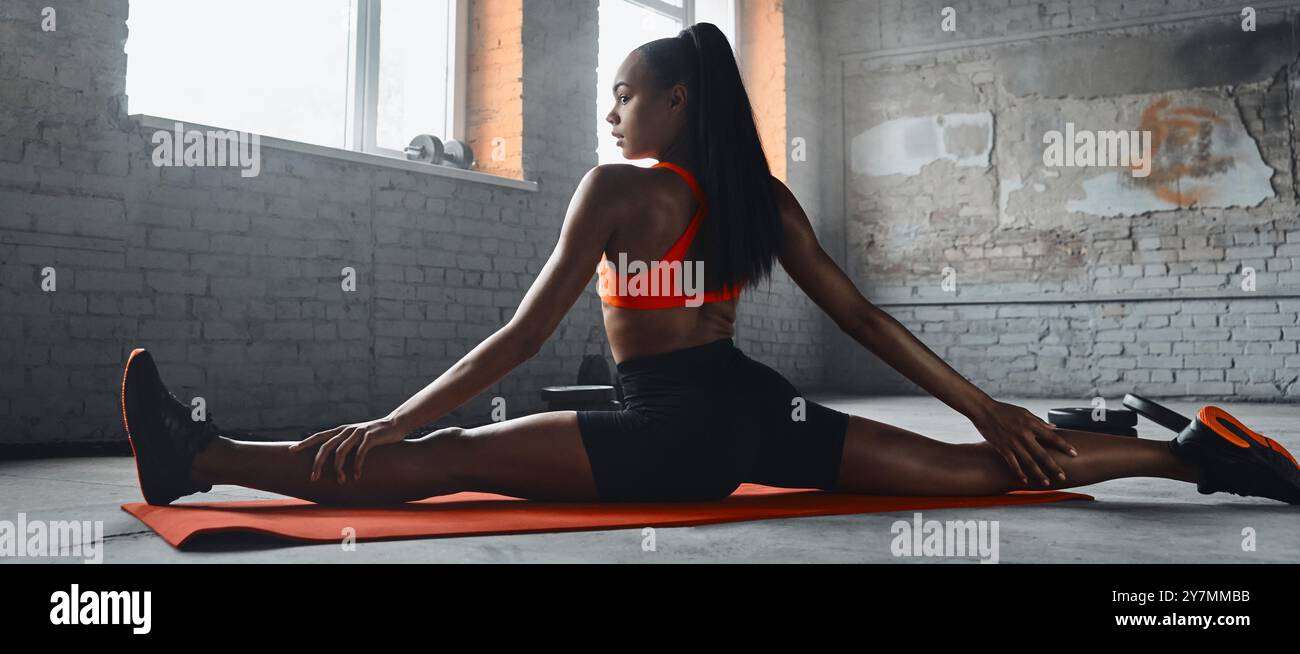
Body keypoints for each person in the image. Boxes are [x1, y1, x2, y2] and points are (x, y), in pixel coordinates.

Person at [120, 23, 1299, 507]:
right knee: (978, 472)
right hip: (757, 414)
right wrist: (989, 403)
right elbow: (870, 325)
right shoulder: (757, 195)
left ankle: (200, 454)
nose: (614, 105)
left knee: (427, 465)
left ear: (676, 103)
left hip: (667, 439)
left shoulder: (615, 191)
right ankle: (1191, 455)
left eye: (627, 91)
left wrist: (397, 415)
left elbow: (525, 339)